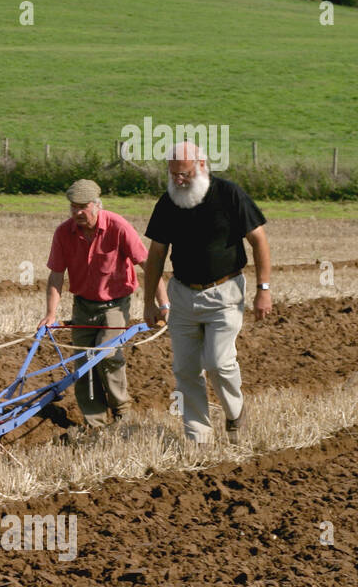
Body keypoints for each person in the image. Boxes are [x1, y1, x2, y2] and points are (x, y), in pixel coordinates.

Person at [142, 142, 272, 443]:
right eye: (172, 174)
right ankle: (198, 438)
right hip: (183, 295)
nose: (177, 180)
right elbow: (157, 255)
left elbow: (259, 241)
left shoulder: (229, 195)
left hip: (225, 293)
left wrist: (263, 289)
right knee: (186, 369)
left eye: (183, 173)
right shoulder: (168, 203)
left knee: (217, 362)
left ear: (201, 167)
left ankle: (235, 413)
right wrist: (149, 302)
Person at [42, 179, 158, 431]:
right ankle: (94, 422)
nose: (77, 212)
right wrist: (50, 314)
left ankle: (121, 410)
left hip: (115, 305)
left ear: (97, 205)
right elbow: (56, 275)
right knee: (83, 362)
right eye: (73, 207)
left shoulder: (118, 227)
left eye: (83, 207)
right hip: (83, 305)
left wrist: (163, 303)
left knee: (107, 355)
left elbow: (149, 266)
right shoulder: (64, 232)